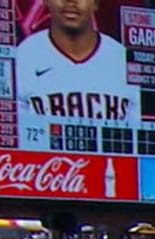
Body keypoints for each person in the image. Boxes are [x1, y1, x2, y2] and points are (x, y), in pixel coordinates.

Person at [15, 0, 138, 146]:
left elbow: (139, 135)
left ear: (95, 3)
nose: (71, 2)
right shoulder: (24, 55)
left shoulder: (123, 58)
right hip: (46, 165)